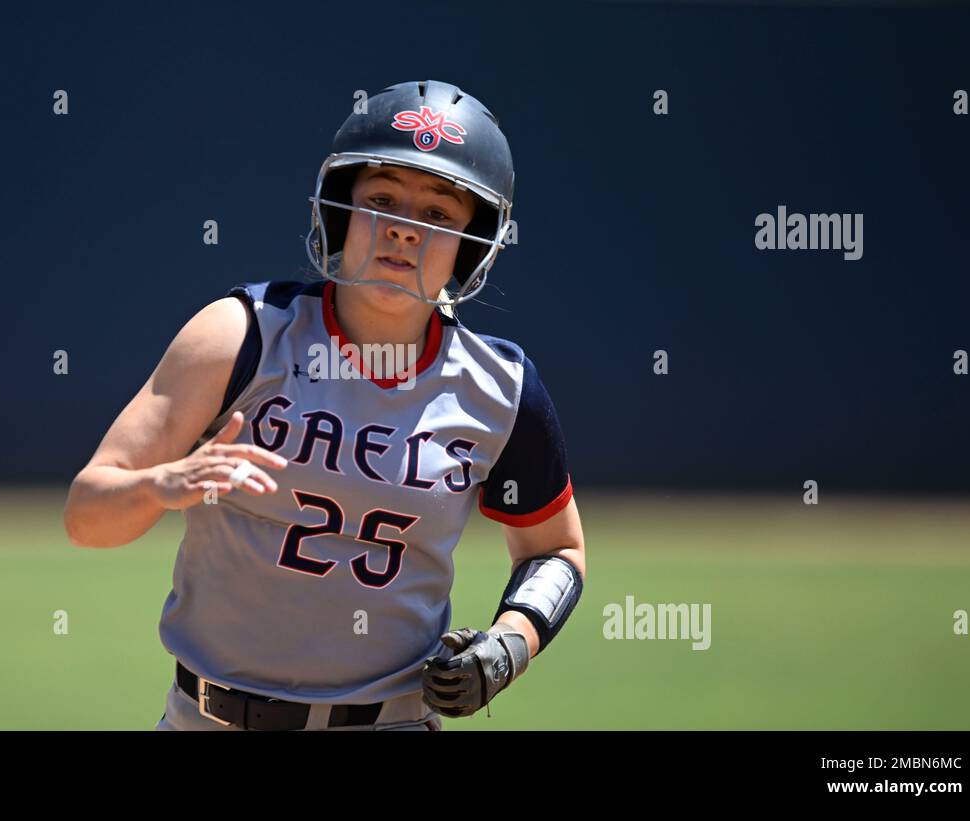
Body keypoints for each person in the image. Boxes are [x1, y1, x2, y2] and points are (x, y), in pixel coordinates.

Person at [63, 80, 586, 731]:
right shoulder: (242, 335)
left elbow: (556, 551)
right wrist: (162, 482)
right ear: (338, 209)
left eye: (438, 215)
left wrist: (509, 645)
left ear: (472, 243)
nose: (404, 228)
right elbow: (86, 514)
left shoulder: (500, 389)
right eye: (383, 199)